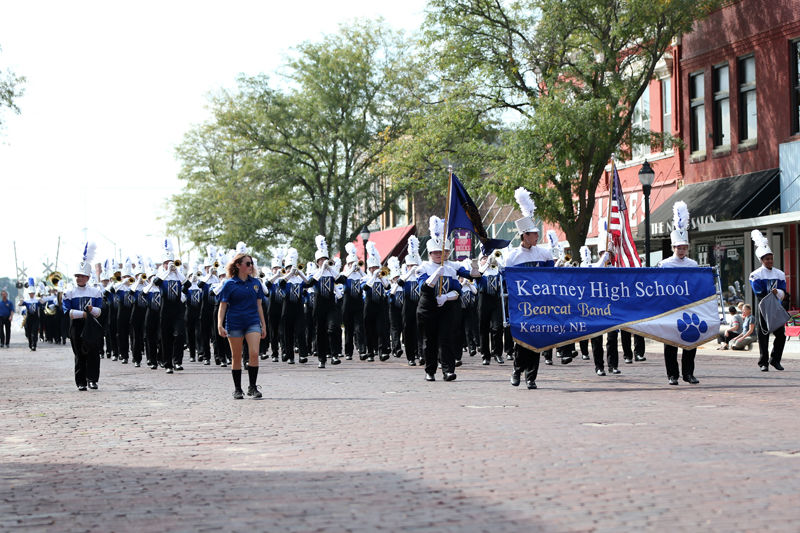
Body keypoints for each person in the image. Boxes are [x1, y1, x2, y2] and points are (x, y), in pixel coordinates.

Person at [504, 188, 555, 390]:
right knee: (522, 340)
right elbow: (506, 280)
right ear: (524, 235)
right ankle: (517, 370)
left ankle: (531, 377)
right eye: (533, 234)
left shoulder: (544, 254)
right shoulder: (512, 257)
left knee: (537, 340)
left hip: (539, 303)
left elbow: (552, 277)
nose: (537, 236)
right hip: (521, 304)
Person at [658, 201, 700, 385]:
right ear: (673, 247)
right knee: (671, 342)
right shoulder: (665, 264)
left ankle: (688, 373)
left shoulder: (693, 265)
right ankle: (672, 374)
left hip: (690, 306)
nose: (682, 250)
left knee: (691, 339)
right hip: (671, 307)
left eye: (684, 247)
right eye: (679, 247)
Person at [416, 216, 462, 382]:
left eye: (441, 252)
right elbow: (424, 288)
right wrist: (435, 275)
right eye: (435, 252)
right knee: (430, 341)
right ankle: (430, 370)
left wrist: (447, 297)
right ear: (429, 253)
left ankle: (448, 370)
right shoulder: (423, 267)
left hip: (445, 309)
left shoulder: (450, 268)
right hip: (428, 310)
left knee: (446, 339)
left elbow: (458, 291)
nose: (438, 255)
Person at [218, 248, 268, 399]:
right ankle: (237, 389)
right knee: (236, 356)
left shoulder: (256, 283)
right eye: (247, 263)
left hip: (252, 322)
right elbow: (223, 305)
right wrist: (219, 324)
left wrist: (263, 325)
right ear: (238, 265)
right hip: (234, 323)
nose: (251, 266)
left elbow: (259, 305)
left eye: (252, 263)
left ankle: (252, 387)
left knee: (253, 353)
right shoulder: (229, 284)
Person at [63, 242, 103, 391]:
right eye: (77, 276)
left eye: (82, 276)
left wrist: (92, 310)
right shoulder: (69, 292)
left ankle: (92, 379)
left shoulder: (95, 292)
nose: (79, 278)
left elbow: (100, 312)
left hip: (91, 326)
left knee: (93, 352)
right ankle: (81, 381)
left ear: (87, 277)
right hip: (76, 326)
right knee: (79, 354)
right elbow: (67, 312)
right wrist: (84, 314)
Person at [749, 230, 787, 371]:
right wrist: (772, 294)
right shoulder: (755, 275)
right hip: (763, 308)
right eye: (767, 259)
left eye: (771, 258)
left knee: (781, 336)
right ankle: (763, 362)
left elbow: (784, 292)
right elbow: (759, 292)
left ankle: (775, 359)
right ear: (761, 260)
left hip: (776, 308)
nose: (770, 261)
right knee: (763, 336)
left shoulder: (780, 274)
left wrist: (779, 293)